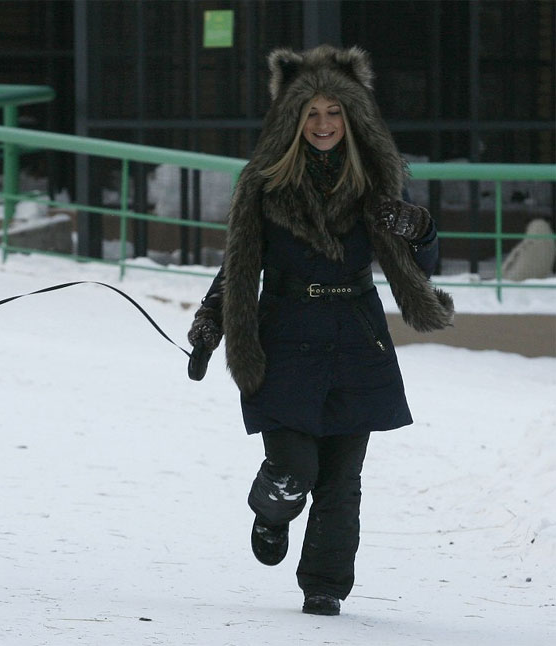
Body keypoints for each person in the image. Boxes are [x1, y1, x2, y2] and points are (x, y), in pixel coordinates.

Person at [187, 45, 454, 616]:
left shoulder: (377, 181)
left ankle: (325, 587)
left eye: (335, 111)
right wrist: (211, 321)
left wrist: (421, 229)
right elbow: (239, 261)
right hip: (283, 335)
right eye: (311, 112)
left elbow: (418, 265)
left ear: (352, 115)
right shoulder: (264, 183)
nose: (324, 123)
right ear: (292, 117)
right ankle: (272, 508)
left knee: (341, 479)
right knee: (296, 468)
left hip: (356, 336)